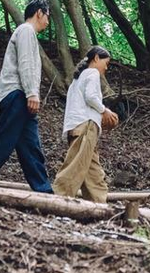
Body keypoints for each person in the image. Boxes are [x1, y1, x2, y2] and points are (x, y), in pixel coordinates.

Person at [0, 0, 54, 192]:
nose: (48, 22)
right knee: (2, 140)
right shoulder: (25, 30)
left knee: (30, 146)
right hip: (18, 94)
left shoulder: (27, 32)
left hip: (22, 96)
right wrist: (32, 93)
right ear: (39, 12)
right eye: (47, 16)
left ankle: (44, 190)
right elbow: (26, 63)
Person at [52, 45, 119, 202]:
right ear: (96, 58)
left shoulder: (77, 80)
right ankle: (57, 200)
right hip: (85, 127)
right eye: (106, 62)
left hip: (77, 127)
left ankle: (99, 206)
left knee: (93, 172)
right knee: (74, 168)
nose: (106, 67)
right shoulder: (92, 73)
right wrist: (105, 111)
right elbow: (91, 97)